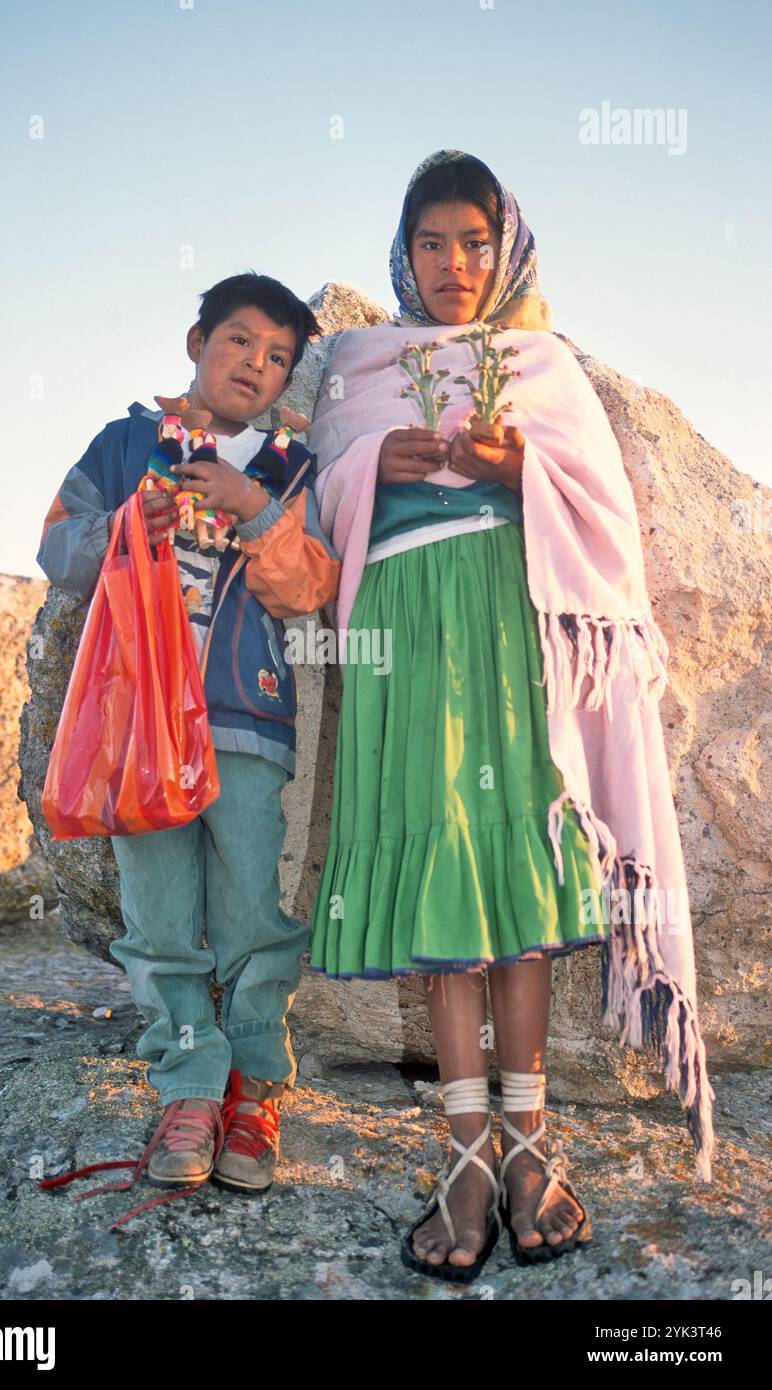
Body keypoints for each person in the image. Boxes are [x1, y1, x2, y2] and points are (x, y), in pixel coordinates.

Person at [306, 150, 714, 1283]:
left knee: (521, 861)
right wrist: (373, 463)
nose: (452, 264)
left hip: (512, 620)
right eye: (431, 242)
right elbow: (321, 487)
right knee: (444, 863)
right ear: (403, 252)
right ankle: (465, 1151)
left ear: (508, 248)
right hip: (404, 628)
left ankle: (528, 1140)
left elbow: (601, 511)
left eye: (474, 241)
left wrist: (519, 462)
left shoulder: (545, 367)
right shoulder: (357, 365)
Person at [36, 272, 340, 1228]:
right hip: (137, 725)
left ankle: (254, 1085)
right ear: (196, 341)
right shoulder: (126, 443)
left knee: (254, 904)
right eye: (238, 340)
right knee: (159, 912)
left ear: (289, 378)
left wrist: (255, 507)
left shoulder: (295, 470)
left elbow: (310, 586)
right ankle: (188, 1084)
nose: (255, 364)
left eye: (277, 355)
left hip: (246, 719)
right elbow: (58, 547)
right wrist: (130, 525)